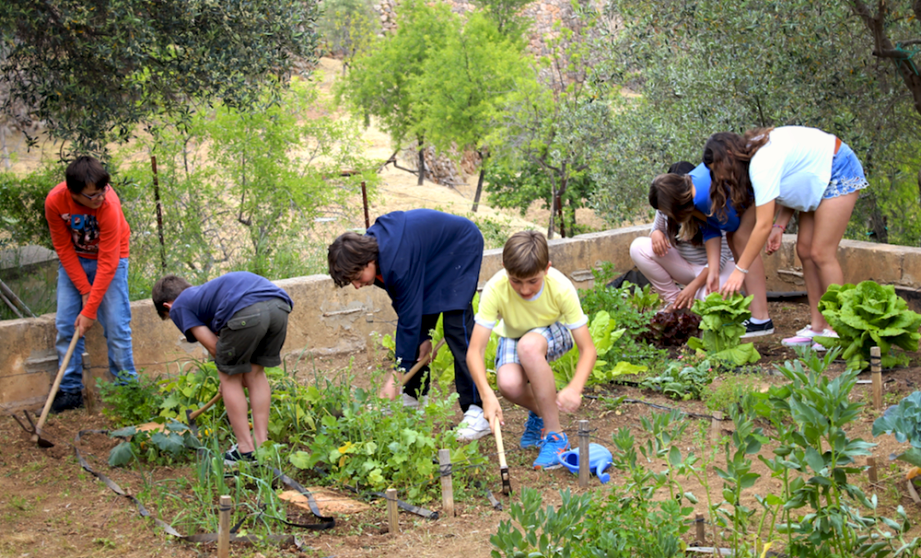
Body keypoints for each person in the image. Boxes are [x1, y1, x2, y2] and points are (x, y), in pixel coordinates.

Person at [327, 209, 489, 441]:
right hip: (430, 258)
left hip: (460, 246)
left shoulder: (395, 260)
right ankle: (412, 396)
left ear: (368, 260)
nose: (356, 285)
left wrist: (395, 376)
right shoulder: (374, 253)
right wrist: (423, 337)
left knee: (457, 328)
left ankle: (478, 409)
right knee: (413, 334)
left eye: (357, 277)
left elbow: (409, 317)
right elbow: (405, 304)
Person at [704, 126, 868, 347]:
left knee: (821, 253)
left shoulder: (761, 163)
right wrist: (780, 226)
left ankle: (836, 328)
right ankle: (818, 327)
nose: (719, 177)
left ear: (730, 156)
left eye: (718, 169)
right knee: (804, 251)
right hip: (817, 176)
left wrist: (739, 271)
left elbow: (762, 226)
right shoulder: (757, 152)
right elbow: (797, 178)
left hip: (837, 168)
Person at [466, 230, 597, 470]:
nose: (525, 290)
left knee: (529, 347)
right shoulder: (495, 288)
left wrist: (575, 388)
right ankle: (542, 414)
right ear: (505, 268)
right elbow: (475, 351)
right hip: (514, 335)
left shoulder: (561, 287)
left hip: (553, 331)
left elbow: (588, 349)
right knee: (508, 384)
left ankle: (556, 436)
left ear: (546, 268)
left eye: (533, 281)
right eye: (516, 281)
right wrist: (487, 395)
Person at [152, 272, 293, 465]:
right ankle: (263, 447)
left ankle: (245, 450)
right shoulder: (206, 295)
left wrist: (227, 379)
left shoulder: (180, 306)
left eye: (169, 317)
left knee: (229, 378)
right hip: (279, 306)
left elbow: (214, 347)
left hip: (247, 310)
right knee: (255, 374)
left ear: (167, 306)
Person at [45, 156, 137, 413]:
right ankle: (71, 391)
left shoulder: (109, 204)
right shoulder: (55, 201)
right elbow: (63, 248)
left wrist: (89, 309)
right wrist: (85, 291)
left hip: (112, 261)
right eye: (93, 195)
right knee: (65, 325)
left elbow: (108, 261)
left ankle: (127, 390)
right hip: (75, 261)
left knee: (117, 327)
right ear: (74, 193)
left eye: (103, 191)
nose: (100, 198)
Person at [649, 162, 774, 336]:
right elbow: (711, 228)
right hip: (753, 189)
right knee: (736, 238)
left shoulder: (701, 198)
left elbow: (729, 226)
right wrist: (713, 271)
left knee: (739, 238)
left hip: (761, 185)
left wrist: (738, 270)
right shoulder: (692, 190)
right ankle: (758, 318)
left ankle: (760, 318)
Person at [631, 161, 735, 310]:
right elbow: (656, 228)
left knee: (708, 299)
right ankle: (675, 303)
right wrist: (656, 234)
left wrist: (693, 287)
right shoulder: (666, 205)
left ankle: (689, 298)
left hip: (716, 269)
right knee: (638, 247)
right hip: (685, 266)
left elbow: (721, 257)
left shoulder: (706, 204)